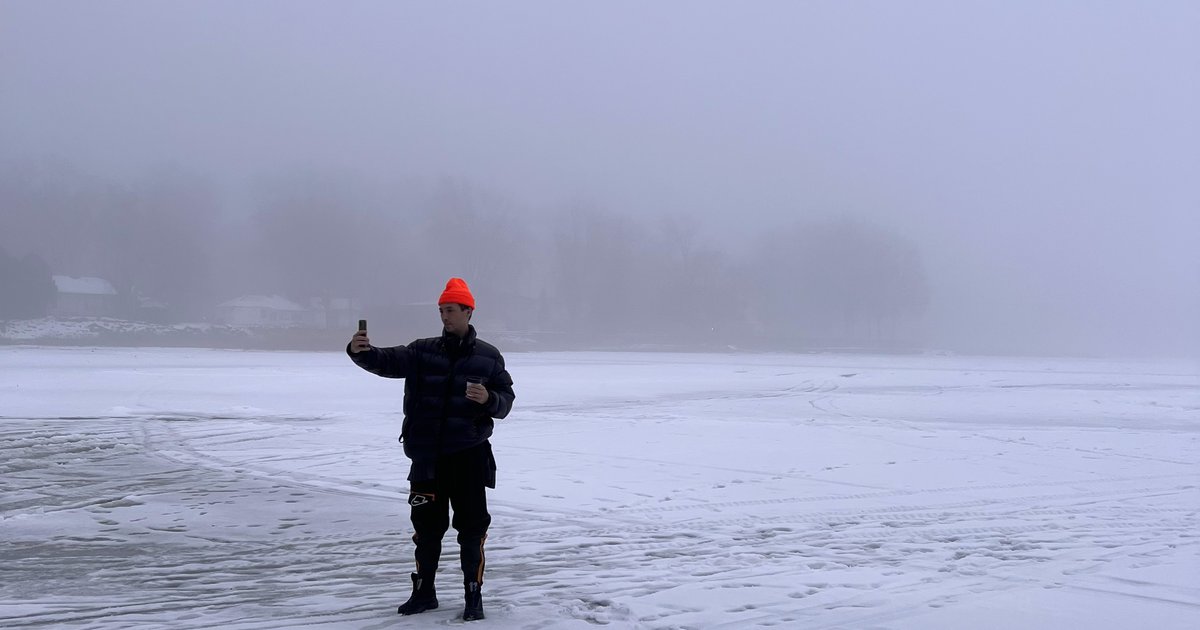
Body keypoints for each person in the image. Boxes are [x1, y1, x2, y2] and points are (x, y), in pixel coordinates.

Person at [348, 277, 515, 621]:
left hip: (468, 456)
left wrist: (489, 399)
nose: (445, 316)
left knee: (471, 529)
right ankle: (424, 593)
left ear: (468, 311)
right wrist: (361, 351)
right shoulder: (422, 350)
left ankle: (473, 595)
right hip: (426, 458)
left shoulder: (488, 356)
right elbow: (387, 361)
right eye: (441, 310)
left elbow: (506, 402)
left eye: (450, 310)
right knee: (426, 530)